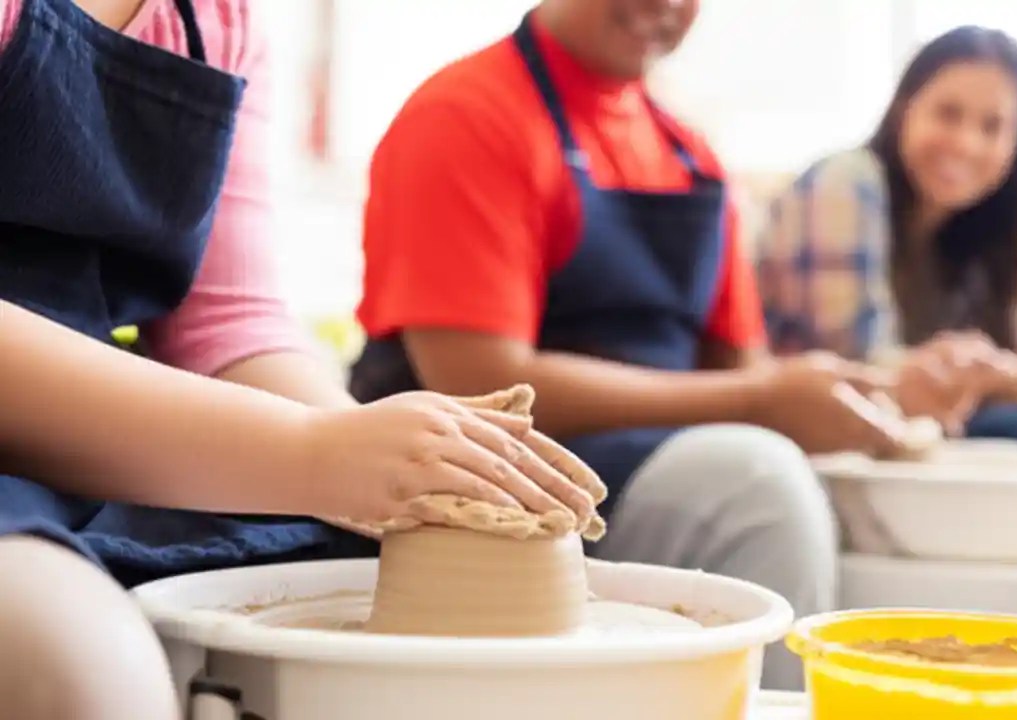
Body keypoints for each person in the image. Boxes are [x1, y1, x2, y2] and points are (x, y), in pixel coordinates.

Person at [350, 0, 1009, 690]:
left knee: (874, 496)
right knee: (758, 484)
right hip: (484, 486)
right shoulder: (467, 114)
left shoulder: (688, 155)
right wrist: (762, 401)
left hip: (651, 464)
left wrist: (866, 396)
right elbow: (476, 379)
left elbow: (740, 368)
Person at [0, 1, 595, 718]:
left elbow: (228, 324)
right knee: (82, 665)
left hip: (99, 436)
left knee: (416, 589)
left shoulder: (217, 20)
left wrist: (393, 457)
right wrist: (315, 453)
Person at [755, 25, 1017, 446]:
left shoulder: (974, 236)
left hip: (891, 438)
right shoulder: (845, 183)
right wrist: (979, 376)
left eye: (992, 127)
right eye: (948, 114)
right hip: (804, 438)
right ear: (904, 108)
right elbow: (854, 365)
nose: (966, 143)